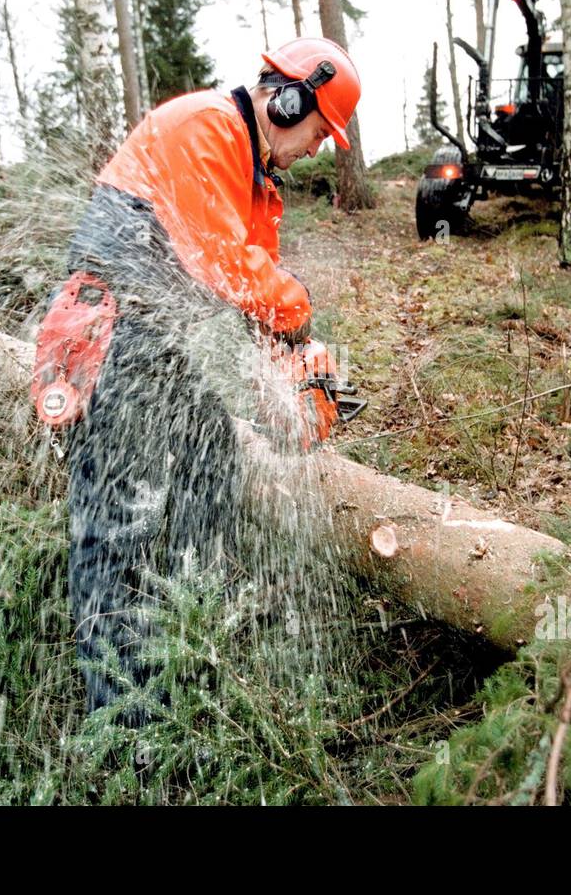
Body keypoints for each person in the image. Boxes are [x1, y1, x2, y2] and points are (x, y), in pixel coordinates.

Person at [58, 37, 362, 726]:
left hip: (165, 338)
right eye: (319, 131)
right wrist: (299, 318)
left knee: (211, 469)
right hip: (116, 327)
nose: (317, 148)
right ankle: (125, 722)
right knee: (121, 518)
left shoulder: (258, 187)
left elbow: (255, 301)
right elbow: (226, 264)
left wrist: (295, 377)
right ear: (290, 100)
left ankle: (194, 637)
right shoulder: (208, 127)